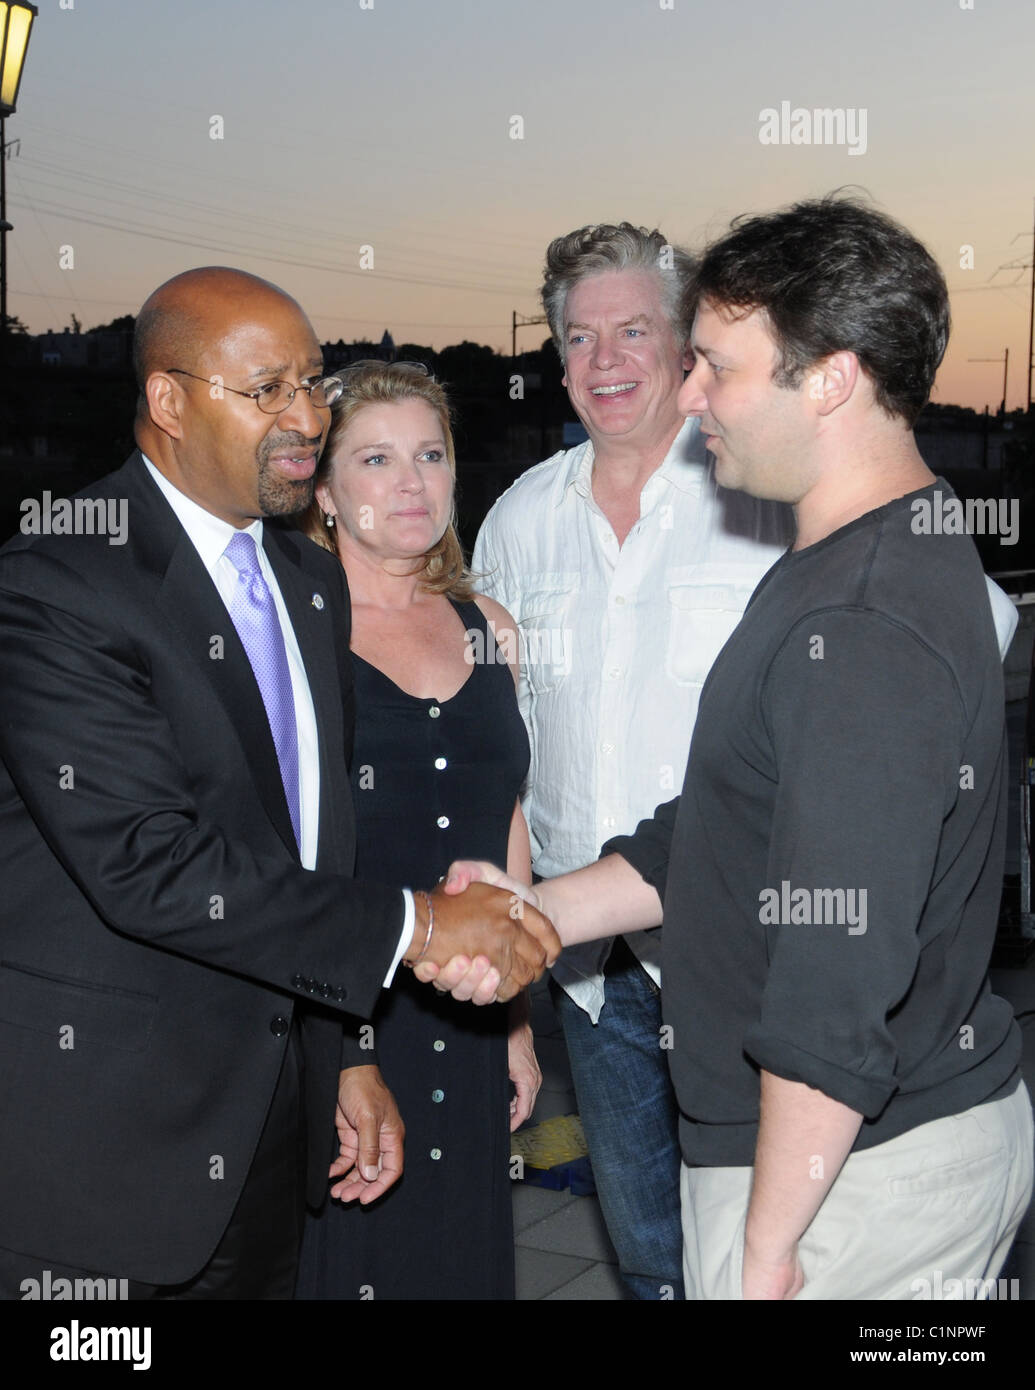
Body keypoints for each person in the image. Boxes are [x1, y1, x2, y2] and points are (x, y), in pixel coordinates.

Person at [442, 196, 1034, 1300]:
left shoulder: (860, 620)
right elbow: (718, 824)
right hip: (855, 1155)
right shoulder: (865, 546)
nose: (690, 390)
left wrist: (767, 1250)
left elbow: (837, 973)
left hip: (850, 1184)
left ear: (830, 378)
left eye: (714, 363)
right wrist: (544, 913)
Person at [0, 268, 558, 1301]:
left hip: (274, 1134)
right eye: (267, 390)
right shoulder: (61, 579)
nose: (304, 417)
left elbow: (310, 843)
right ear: (169, 402)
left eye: (310, 383)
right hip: (112, 1146)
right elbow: (148, 864)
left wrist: (343, 1051)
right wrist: (425, 928)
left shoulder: (301, 582)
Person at [473, 222, 792, 1298]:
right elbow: (493, 746)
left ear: (685, 347)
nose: (604, 360)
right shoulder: (518, 523)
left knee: (766, 1243)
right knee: (650, 1249)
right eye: (579, 336)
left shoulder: (763, 499)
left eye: (633, 331)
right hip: (587, 972)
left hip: (740, 952)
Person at [293, 361, 539, 1300]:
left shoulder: (491, 627)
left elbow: (506, 819)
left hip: (471, 1015)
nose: (411, 482)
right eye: (376, 458)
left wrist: (516, 1021)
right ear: (322, 488)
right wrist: (342, 1044)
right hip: (347, 1010)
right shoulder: (295, 631)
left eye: (430, 454)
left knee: (458, 1260)